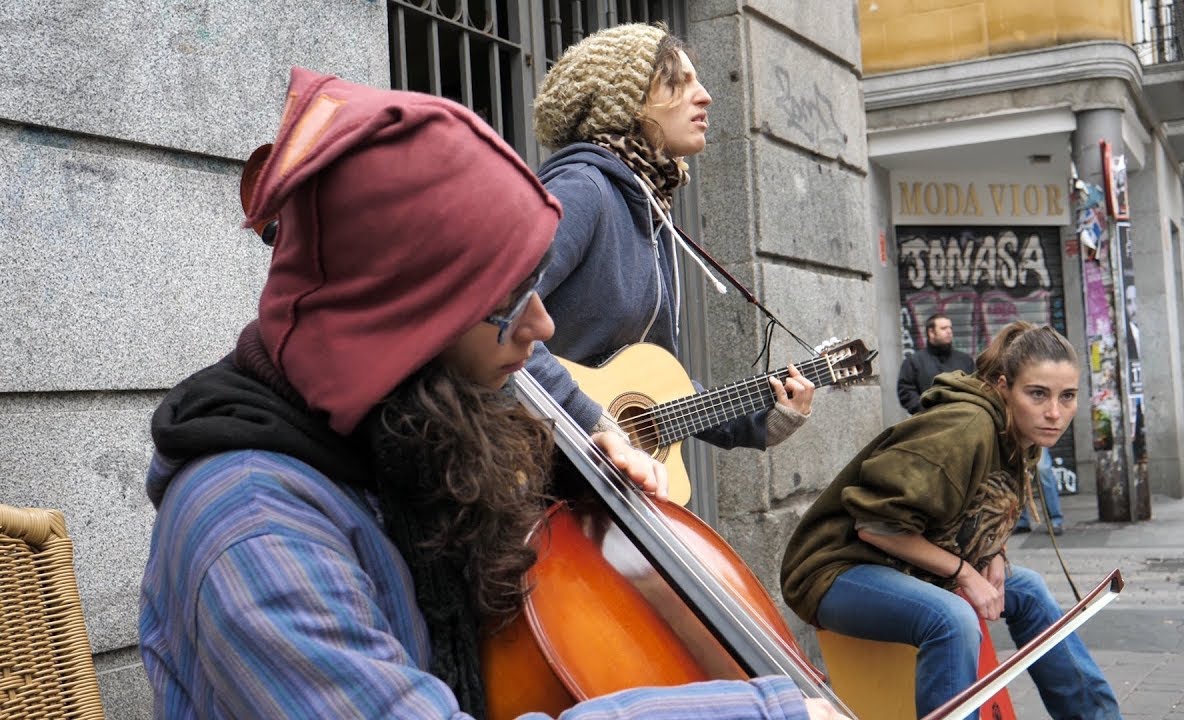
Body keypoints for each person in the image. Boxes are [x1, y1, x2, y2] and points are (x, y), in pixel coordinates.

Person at [138, 67, 848, 720]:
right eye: (505, 302)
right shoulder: (254, 530)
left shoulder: (392, 419)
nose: (542, 324)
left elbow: (526, 373)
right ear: (397, 323)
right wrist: (764, 711)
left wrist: (591, 433)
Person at [781, 321, 1122, 720]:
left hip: (905, 567)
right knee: (951, 619)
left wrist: (992, 550)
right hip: (836, 570)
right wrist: (966, 574)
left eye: (1068, 397)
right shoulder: (964, 428)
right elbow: (876, 526)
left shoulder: (1022, 432)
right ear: (1002, 386)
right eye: (1037, 394)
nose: (1054, 413)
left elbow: (980, 504)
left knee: (1027, 588)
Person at [525, 22, 815, 456]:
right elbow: (493, 316)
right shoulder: (583, 190)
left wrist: (763, 421)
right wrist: (585, 415)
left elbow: (656, 391)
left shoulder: (647, 205)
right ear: (624, 103)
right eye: (676, 84)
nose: (705, 95)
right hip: (541, 463)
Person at [897, 313, 975, 415]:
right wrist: (924, 410)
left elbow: (975, 387)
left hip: (962, 420)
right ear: (931, 332)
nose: (949, 332)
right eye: (944, 328)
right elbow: (906, 391)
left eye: (950, 328)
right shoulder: (914, 362)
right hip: (927, 424)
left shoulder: (965, 360)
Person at [1014, 447, 1065, 535]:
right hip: (1015, 435)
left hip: (1038, 436)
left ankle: (1055, 519)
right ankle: (1021, 520)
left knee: (1043, 469)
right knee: (1016, 472)